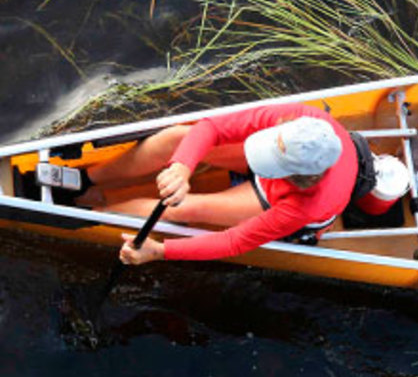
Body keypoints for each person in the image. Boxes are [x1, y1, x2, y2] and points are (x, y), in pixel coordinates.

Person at [85, 103, 358, 265]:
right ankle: (88, 177)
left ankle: (90, 216)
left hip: (281, 198)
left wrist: (160, 251)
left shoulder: (308, 205)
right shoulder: (302, 119)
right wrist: (182, 166)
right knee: (179, 138)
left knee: (181, 209)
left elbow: (234, 241)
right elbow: (211, 128)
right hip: (285, 169)